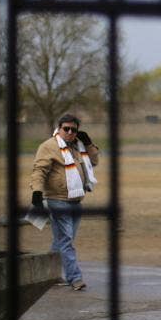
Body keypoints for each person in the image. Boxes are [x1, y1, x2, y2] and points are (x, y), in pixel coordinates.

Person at [31, 113, 99, 292]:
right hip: (57, 200)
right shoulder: (49, 146)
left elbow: (94, 161)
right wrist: (37, 191)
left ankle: (47, 274)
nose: (69, 132)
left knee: (61, 241)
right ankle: (75, 278)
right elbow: (39, 170)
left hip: (76, 201)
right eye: (66, 129)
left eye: (73, 130)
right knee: (66, 241)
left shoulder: (78, 146)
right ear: (59, 128)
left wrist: (89, 143)